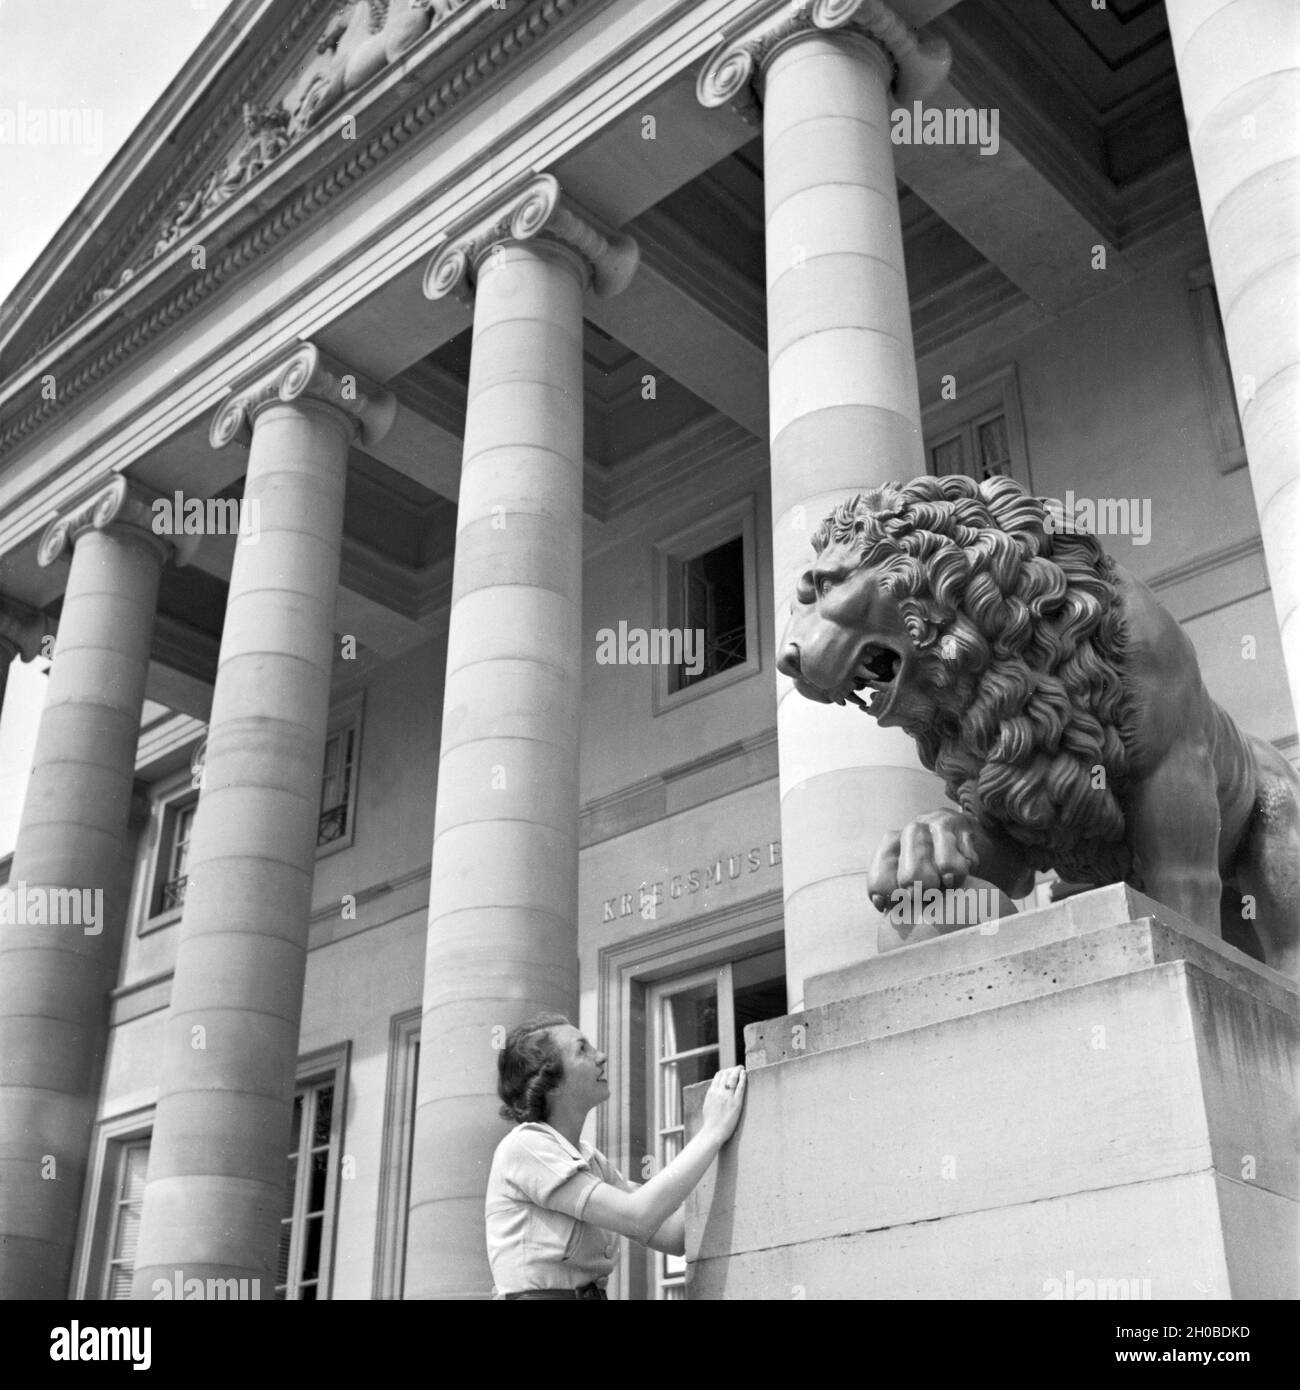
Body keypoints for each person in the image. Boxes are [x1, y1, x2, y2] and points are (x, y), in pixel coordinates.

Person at [486, 1012, 746, 1300]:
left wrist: (734, 1150)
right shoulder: (526, 1145)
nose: (602, 1056)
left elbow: (674, 1234)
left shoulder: (590, 1160)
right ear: (551, 1081)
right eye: (582, 1049)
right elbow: (639, 1216)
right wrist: (711, 1132)